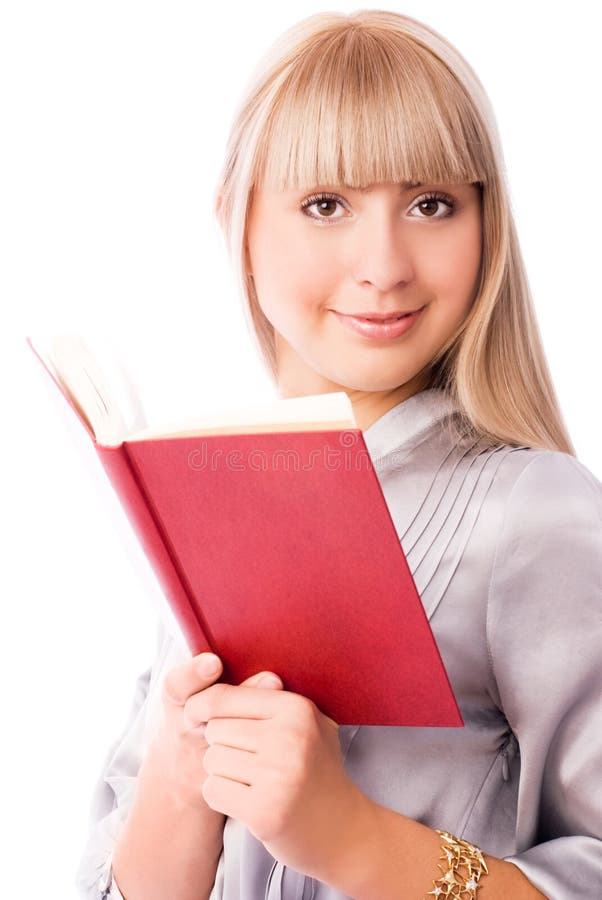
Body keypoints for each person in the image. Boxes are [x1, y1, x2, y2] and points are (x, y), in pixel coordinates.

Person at [75, 9, 602, 900]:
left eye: (432, 203)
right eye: (326, 204)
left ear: (487, 223)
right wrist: (181, 769)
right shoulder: (206, 500)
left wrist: (352, 840)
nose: (384, 262)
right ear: (237, 223)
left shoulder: (537, 513)